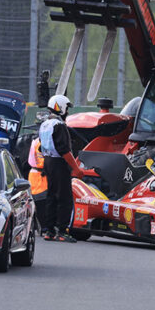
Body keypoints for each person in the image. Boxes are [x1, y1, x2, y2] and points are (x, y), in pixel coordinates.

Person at [39, 94, 96, 242]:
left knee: (51, 196)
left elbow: (41, 147)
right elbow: (65, 150)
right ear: (61, 107)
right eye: (67, 109)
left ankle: (49, 230)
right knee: (65, 198)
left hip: (48, 162)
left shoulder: (45, 125)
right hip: (59, 164)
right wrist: (76, 168)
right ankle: (63, 231)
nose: (68, 112)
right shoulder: (59, 125)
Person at [28, 136, 49, 236]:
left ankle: (41, 226)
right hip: (40, 175)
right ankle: (44, 227)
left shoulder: (36, 141)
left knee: (39, 203)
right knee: (41, 203)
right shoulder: (42, 142)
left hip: (37, 174)